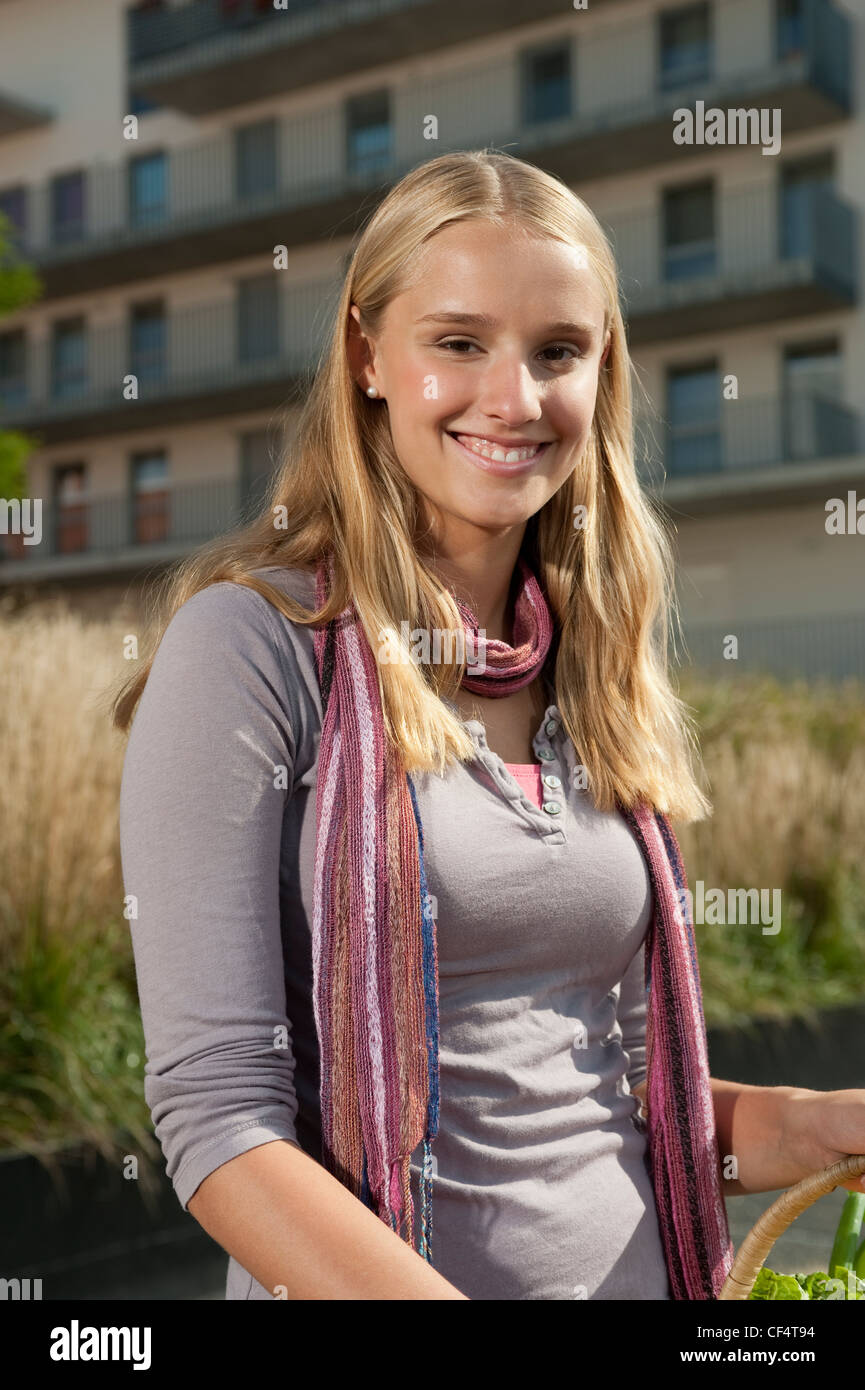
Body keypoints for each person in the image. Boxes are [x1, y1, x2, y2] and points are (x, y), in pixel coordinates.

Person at [112, 149, 865, 1302]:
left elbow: (607, 1094)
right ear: (367, 355)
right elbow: (221, 1129)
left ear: (599, 371)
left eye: (557, 351)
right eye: (458, 342)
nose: (513, 399)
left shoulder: (590, 668)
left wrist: (809, 1124)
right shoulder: (254, 649)